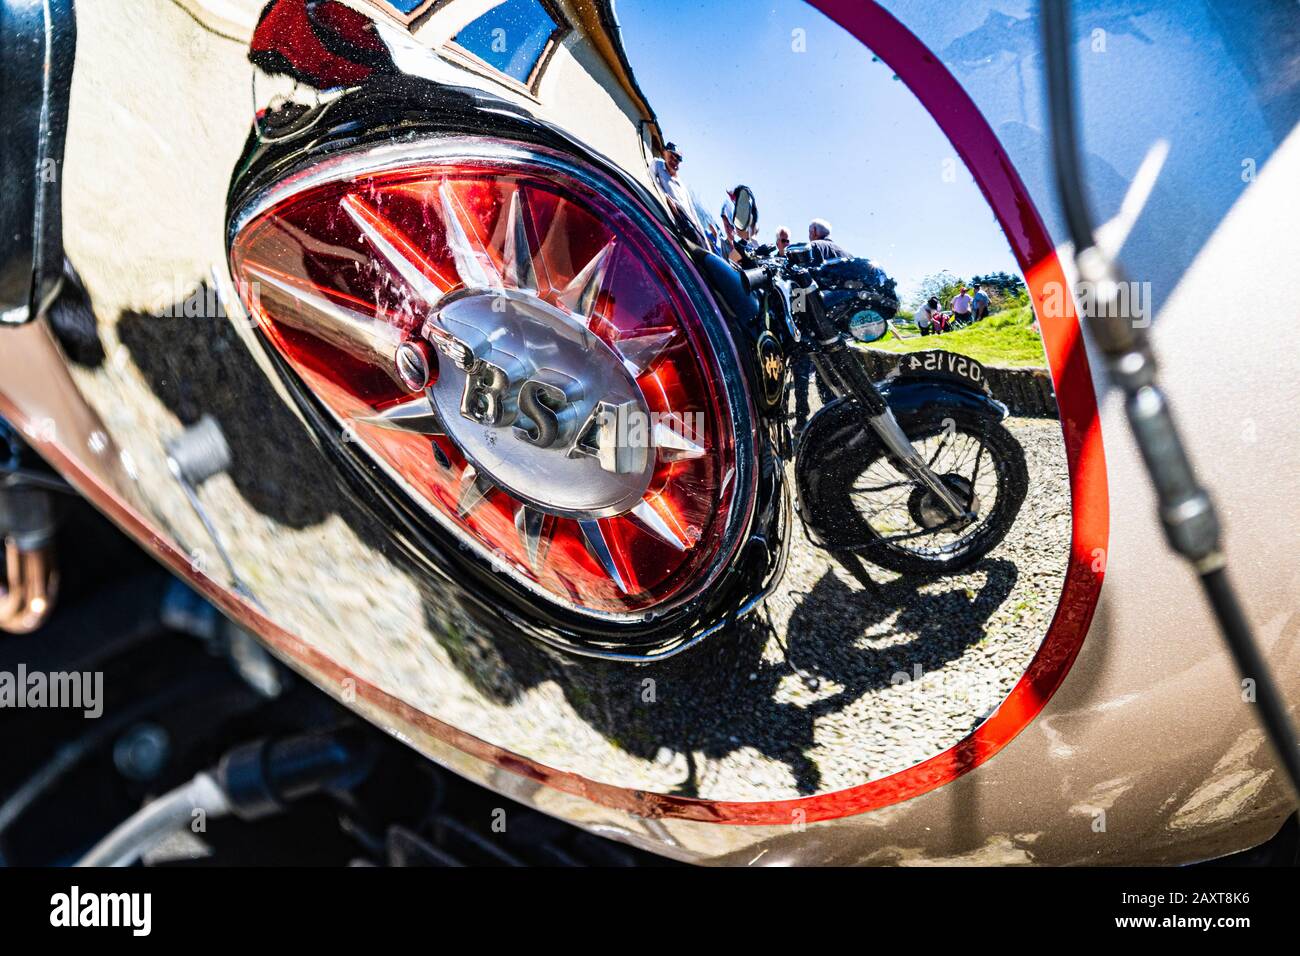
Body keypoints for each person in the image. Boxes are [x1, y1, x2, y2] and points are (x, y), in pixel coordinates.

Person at [651, 141, 708, 243]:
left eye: (678, 159)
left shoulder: (682, 185)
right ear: (664, 153)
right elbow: (652, 178)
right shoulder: (658, 164)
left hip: (689, 224)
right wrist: (665, 197)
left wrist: (703, 236)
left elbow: (693, 212)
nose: (674, 160)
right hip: (674, 219)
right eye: (671, 156)